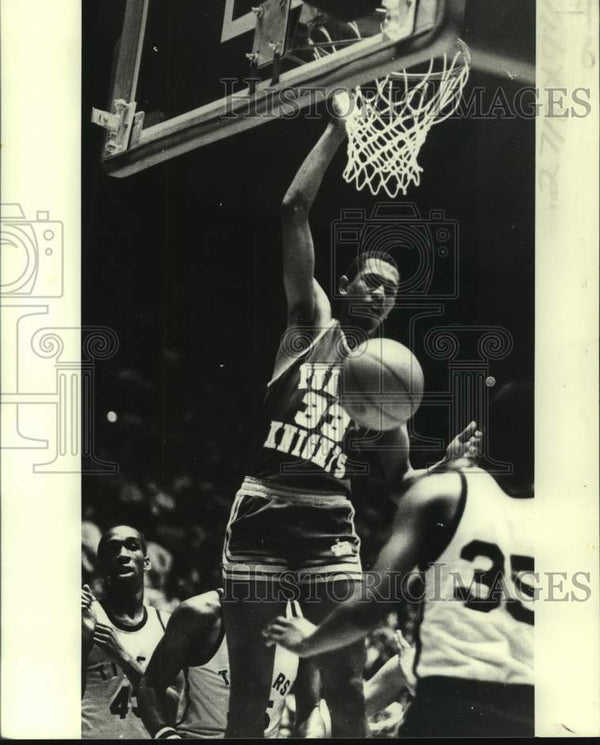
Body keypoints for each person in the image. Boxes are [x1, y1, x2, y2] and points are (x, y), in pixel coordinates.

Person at [221, 97, 479, 738]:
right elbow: (292, 209)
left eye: (390, 288)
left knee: (346, 683)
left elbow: (398, 486)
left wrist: (439, 468)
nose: (379, 292)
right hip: (263, 510)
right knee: (250, 687)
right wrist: (338, 129)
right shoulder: (310, 322)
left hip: (329, 527)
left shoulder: (388, 383)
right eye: (369, 280)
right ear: (346, 281)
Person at [263, 384, 534, 737]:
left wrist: (309, 641)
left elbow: (370, 606)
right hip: (531, 710)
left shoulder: (444, 493)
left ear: (487, 434)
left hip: (449, 702)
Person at [137, 591, 326, 739]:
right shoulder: (201, 613)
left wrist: (312, 735)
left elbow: (310, 706)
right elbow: (150, 686)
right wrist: (167, 736)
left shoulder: (302, 621)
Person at [82, 525, 174, 738]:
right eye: (113, 550)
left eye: (132, 547)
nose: (123, 554)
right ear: (101, 565)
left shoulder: (166, 625)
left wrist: (123, 657)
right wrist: (84, 641)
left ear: (147, 562)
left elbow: (173, 707)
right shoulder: (84, 615)